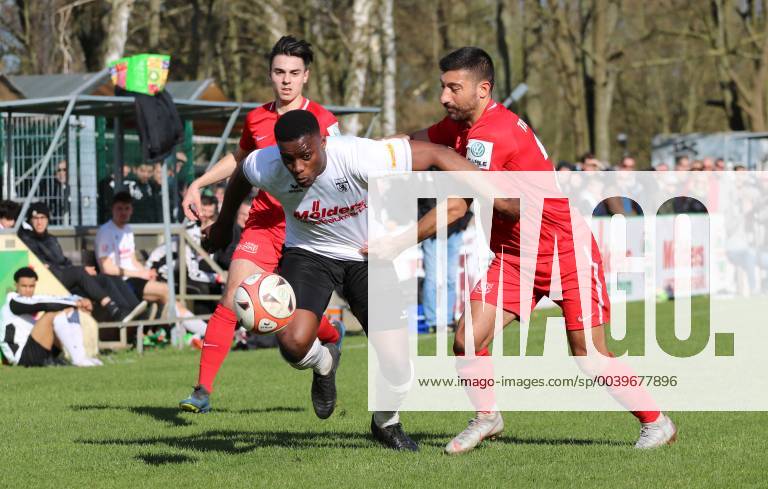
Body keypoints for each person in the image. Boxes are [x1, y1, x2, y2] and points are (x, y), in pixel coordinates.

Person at [409, 46, 676, 453]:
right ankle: (487, 416)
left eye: (453, 88)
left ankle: (657, 423)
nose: (444, 96)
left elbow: (461, 205)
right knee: (467, 337)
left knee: (590, 356)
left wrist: (396, 241)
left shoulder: (489, 134)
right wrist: (353, 153)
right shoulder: (460, 127)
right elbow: (413, 143)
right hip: (516, 258)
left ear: (483, 89)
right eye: (442, 86)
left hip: (563, 252)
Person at [202, 109, 485, 450]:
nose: (298, 168)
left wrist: (492, 186)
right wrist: (222, 223)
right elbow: (242, 174)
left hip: (368, 255)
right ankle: (325, 362)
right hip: (309, 253)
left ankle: (385, 423)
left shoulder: (358, 154)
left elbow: (438, 153)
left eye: (306, 156)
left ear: (324, 142)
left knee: (397, 364)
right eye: (289, 159)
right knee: (293, 344)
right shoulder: (268, 164)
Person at [179, 35, 343, 414]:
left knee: (293, 322)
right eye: (279, 72)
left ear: (306, 77)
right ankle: (202, 391)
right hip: (264, 224)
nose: (286, 80)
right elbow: (240, 162)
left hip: (307, 227)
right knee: (235, 299)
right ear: (270, 74)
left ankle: (332, 340)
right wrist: (198, 183)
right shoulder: (256, 118)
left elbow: (339, 174)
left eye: (294, 73)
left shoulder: (323, 121)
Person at [95, 191, 206, 338]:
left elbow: (132, 260)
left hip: (133, 279)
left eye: (127, 208)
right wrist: (140, 274)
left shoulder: (127, 230)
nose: (123, 212)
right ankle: (201, 332)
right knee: (167, 291)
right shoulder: (105, 231)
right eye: (119, 208)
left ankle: (194, 333)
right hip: (119, 283)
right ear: (112, 209)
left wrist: (146, 272)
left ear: (131, 210)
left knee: (168, 296)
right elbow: (107, 268)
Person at [18, 202, 134, 321]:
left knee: (105, 278)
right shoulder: (27, 239)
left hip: (66, 275)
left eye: (42, 218)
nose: (39, 222)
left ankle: (127, 311)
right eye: (35, 218)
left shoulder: (51, 239)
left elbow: (64, 261)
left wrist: (83, 271)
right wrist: (79, 271)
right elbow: (43, 265)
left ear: (48, 220)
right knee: (78, 272)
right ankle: (111, 307)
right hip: (52, 278)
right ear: (30, 221)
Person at [0, 267, 102, 367]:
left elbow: (50, 298)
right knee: (51, 315)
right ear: (16, 285)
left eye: (31, 286)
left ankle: (81, 356)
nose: (28, 290)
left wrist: (79, 299)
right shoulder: (13, 302)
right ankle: (79, 359)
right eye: (24, 286)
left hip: (34, 350)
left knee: (66, 311)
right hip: (22, 357)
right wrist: (75, 303)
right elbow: (46, 304)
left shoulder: (30, 299)